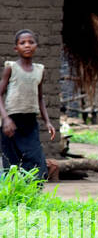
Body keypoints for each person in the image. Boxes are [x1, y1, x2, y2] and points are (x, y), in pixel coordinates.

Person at [0, 29, 58, 181]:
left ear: (36, 46)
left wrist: (47, 122)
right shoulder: (11, 68)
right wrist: (5, 119)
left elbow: (40, 98)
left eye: (31, 42)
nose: (27, 45)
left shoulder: (39, 70)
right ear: (16, 48)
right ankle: (14, 200)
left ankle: (31, 198)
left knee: (36, 163)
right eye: (22, 43)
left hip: (30, 123)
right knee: (11, 165)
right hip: (11, 124)